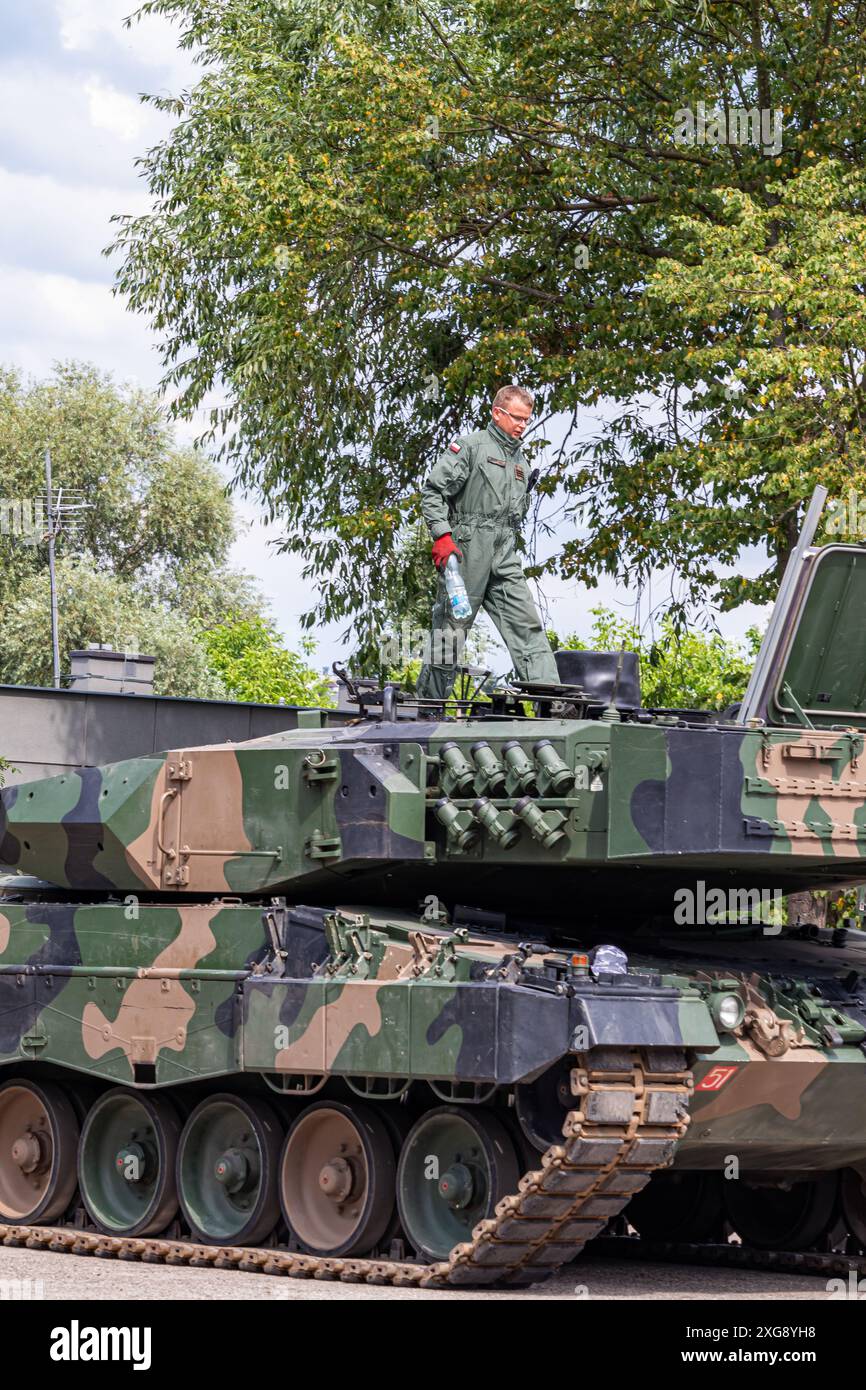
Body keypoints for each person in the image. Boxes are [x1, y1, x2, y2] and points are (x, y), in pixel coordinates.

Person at [415, 385, 560, 699]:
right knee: (450, 632)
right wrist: (442, 535)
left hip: (504, 550)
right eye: (517, 418)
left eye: (527, 419)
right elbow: (433, 492)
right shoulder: (470, 447)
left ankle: (554, 705)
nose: (522, 425)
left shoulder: (520, 460)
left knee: (527, 626)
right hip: (468, 550)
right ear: (498, 413)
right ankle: (428, 705)